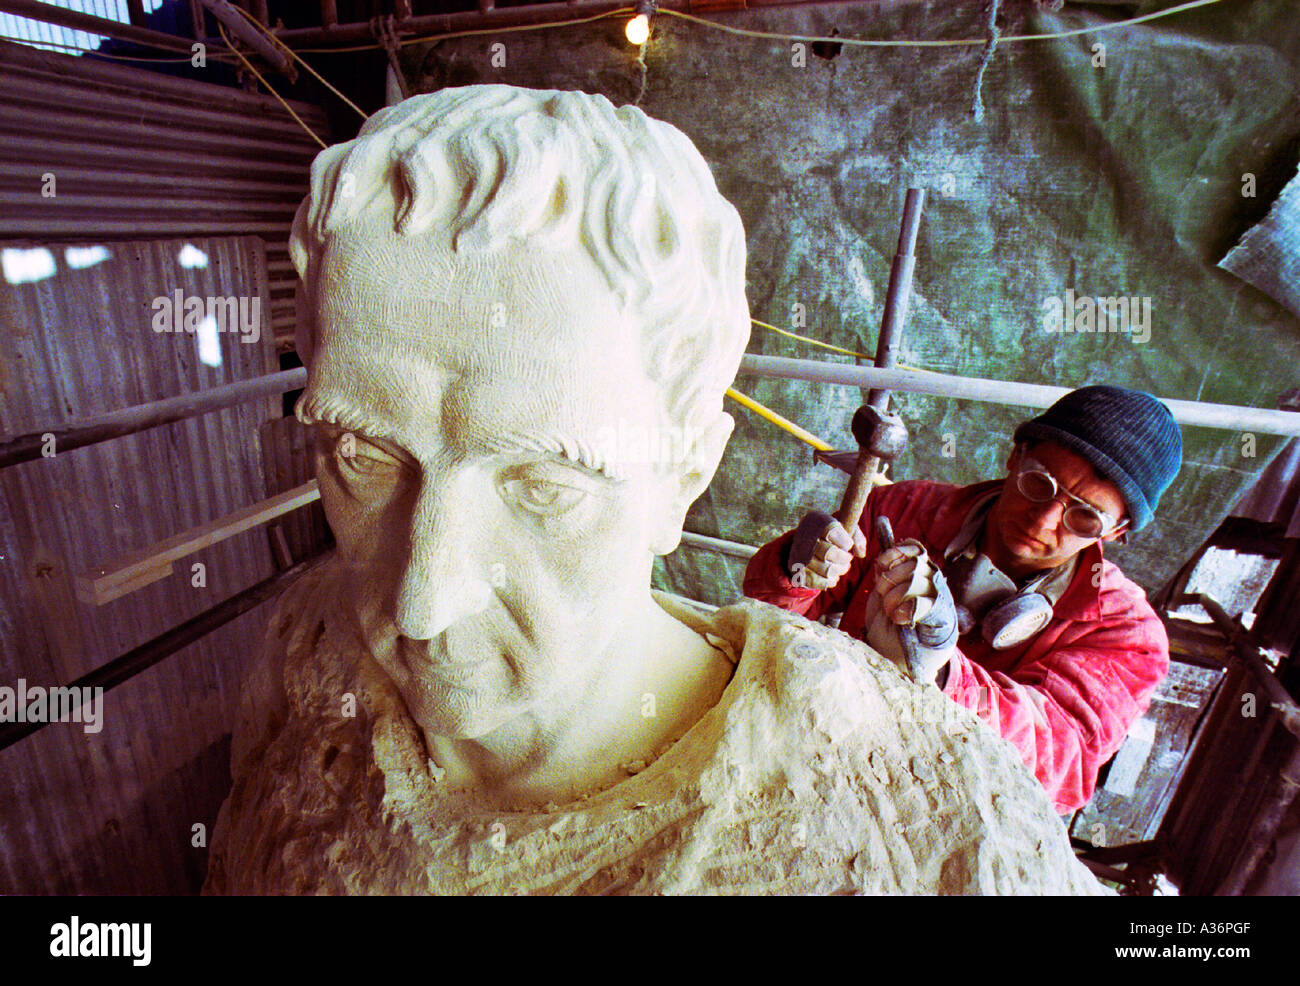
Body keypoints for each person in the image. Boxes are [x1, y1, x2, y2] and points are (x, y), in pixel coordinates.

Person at [205, 85, 1103, 894]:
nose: (423, 602)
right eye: (364, 455)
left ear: (687, 473)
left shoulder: (921, 825)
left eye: (546, 487)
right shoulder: (306, 648)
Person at [744, 385, 1183, 815]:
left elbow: (1058, 762)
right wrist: (795, 568)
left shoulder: (1124, 633)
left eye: (1084, 517)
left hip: (948, 809)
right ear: (1016, 454)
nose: (1045, 519)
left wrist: (941, 671)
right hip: (825, 735)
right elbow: (771, 614)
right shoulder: (908, 507)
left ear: (1117, 531)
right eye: (1039, 484)